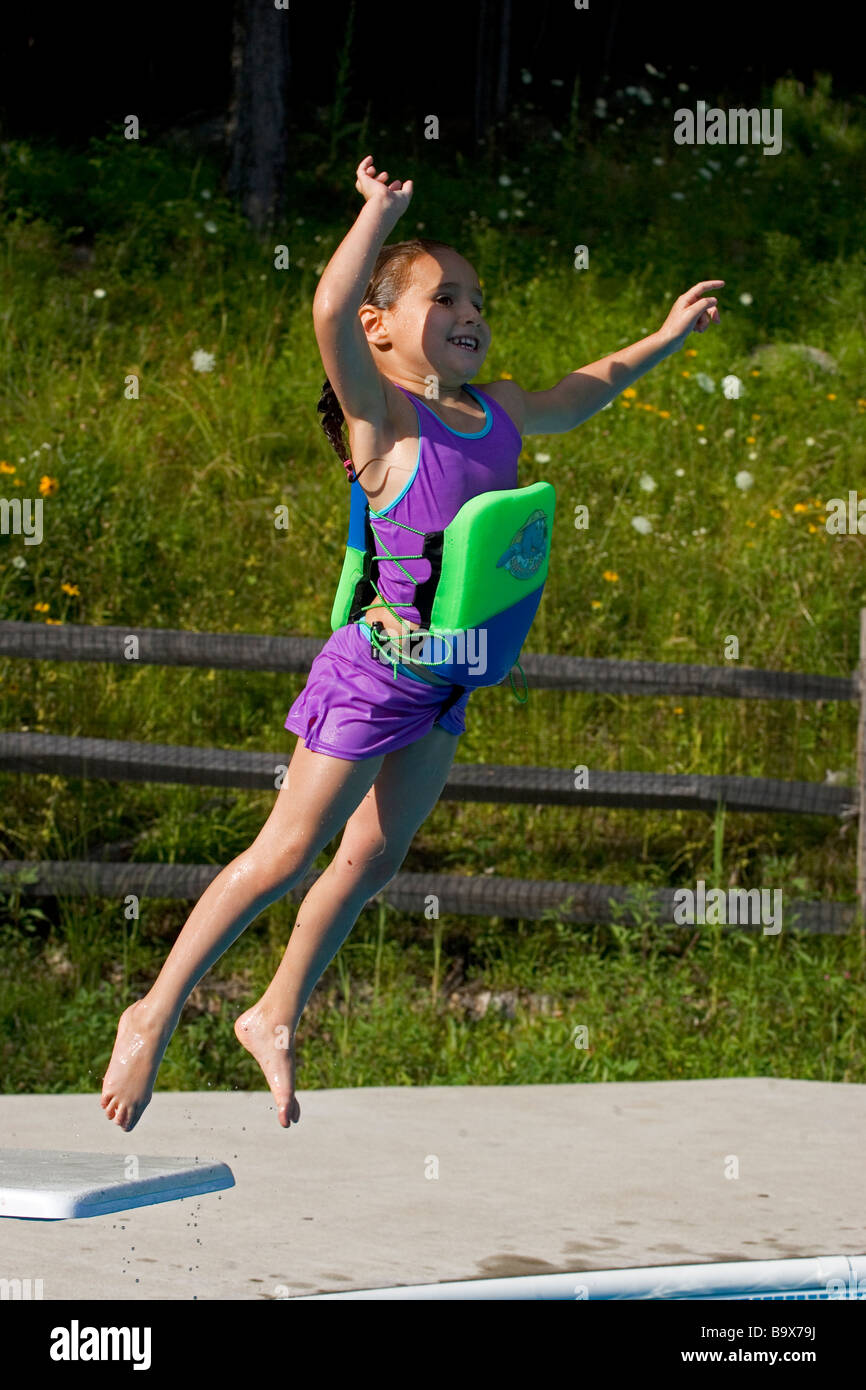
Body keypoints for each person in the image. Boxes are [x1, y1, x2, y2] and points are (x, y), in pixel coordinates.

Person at [101, 154, 722, 1132]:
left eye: (478, 299)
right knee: (287, 850)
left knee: (374, 857)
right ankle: (152, 1011)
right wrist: (376, 215)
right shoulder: (380, 419)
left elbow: (585, 387)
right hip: (372, 672)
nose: (470, 312)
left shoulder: (500, 411)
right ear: (380, 328)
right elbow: (324, 309)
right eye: (445, 296)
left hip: (447, 683)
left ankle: (273, 1012)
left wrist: (662, 338)